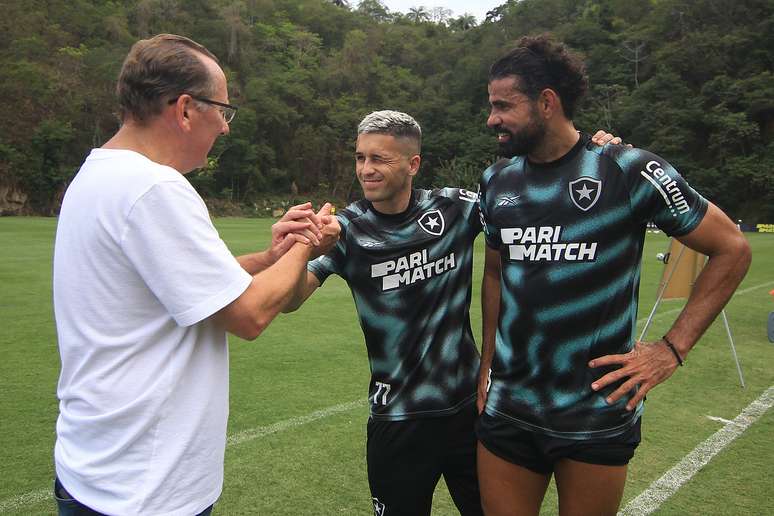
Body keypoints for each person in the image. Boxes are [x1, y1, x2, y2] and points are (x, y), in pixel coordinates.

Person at [52, 34, 338, 515]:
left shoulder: (99, 173)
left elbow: (188, 287)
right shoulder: (153, 186)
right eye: (222, 111)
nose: (225, 129)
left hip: (97, 470)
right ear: (185, 109)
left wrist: (272, 257)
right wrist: (309, 245)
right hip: (144, 488)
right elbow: (249, 315)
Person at [284, 110, 620, 516]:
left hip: (468, 413)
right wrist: (304, 248)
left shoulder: (454, 210)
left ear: (413, 164)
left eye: (379, 159)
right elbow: (292, 298)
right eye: (360, 158)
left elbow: (527, 199)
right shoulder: (347, 230)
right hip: (398, 419)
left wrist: (590, 157)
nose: (366, 170)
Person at [476, 34, 751, 516]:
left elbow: (731, 249)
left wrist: (671, 349)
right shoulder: (498, 181)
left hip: (596, 413)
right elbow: (496, 274)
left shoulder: (628, 170)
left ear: (546, 102)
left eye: (503, 105)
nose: (491, 118)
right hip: (510, 410)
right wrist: (486, 367)